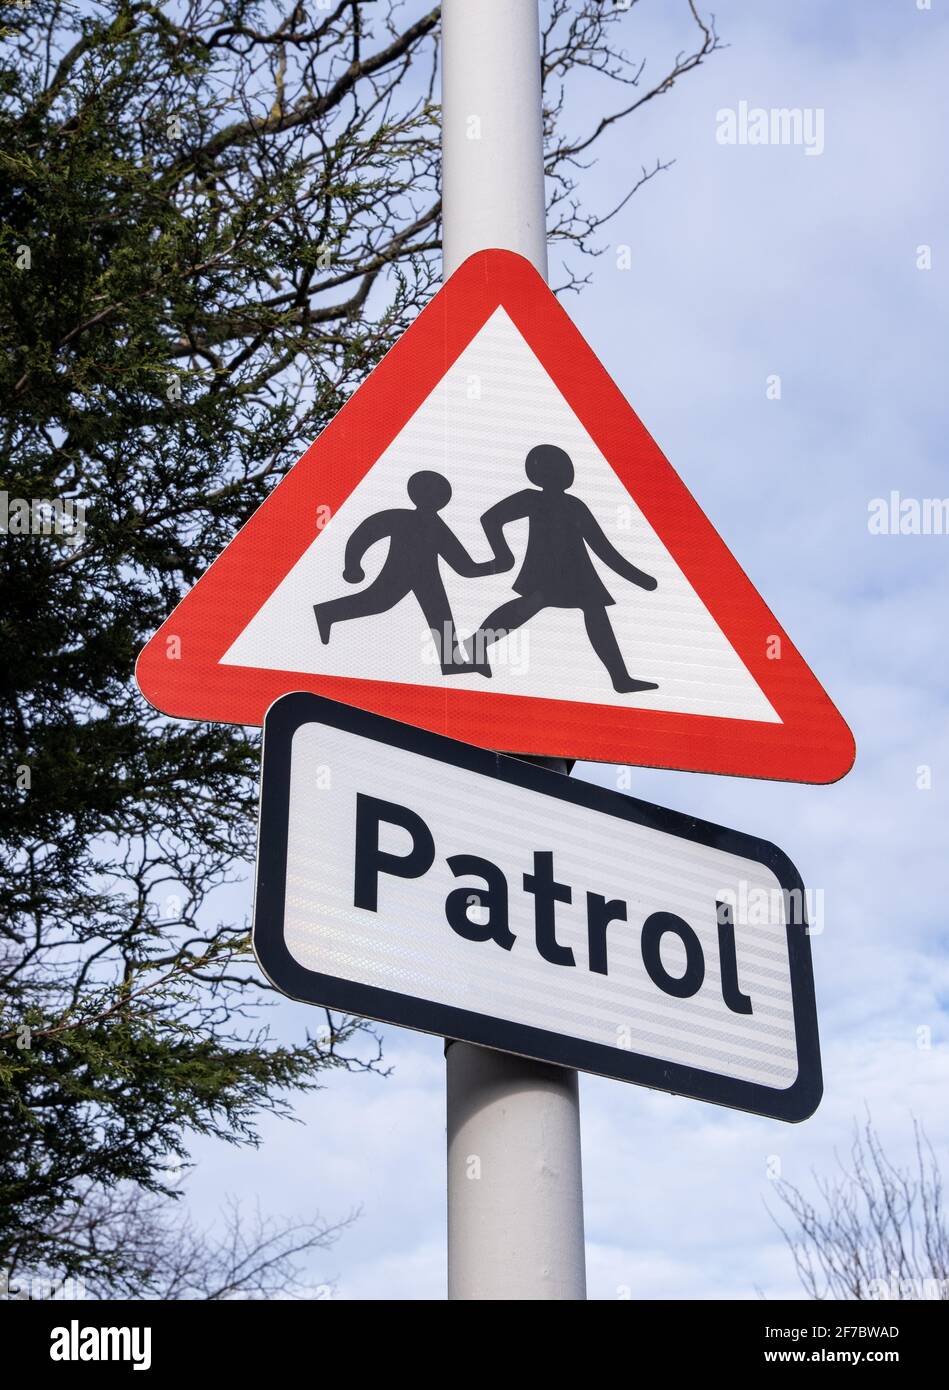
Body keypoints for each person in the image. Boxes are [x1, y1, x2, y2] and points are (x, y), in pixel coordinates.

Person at [466, 444, 659, 692]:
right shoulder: (531, 499)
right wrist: (503, 555)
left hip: (577, 571)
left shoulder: (575, 505)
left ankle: (620, 679)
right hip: (547, 568)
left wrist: (640, 579)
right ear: (539, 473)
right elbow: (490, 519)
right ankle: (475, 645)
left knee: (591, 609)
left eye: (565, 466)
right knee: (534, 603)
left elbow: (603, 548)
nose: (565, 472)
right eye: (557, 467)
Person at [314, 470, 494, 675]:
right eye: (431, 492)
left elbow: (463, 565)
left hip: (427, 576)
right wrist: (352, 565)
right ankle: (327, 612)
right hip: (401, 572)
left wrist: (494, 566)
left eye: (440, 493)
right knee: (378, 602)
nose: (436, 497)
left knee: (440, 615)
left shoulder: (437, 525)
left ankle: (452, 662)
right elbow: (365, 533)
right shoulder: (401, 517)